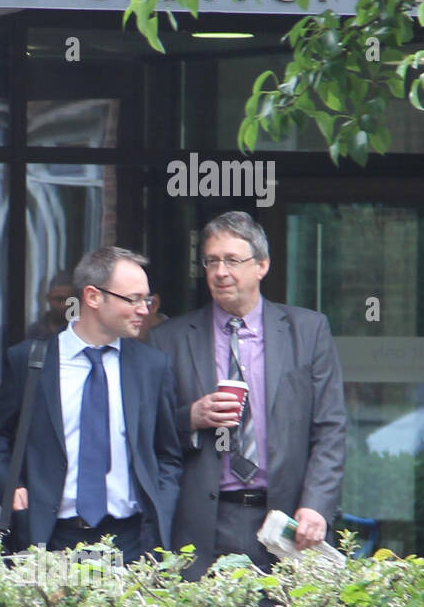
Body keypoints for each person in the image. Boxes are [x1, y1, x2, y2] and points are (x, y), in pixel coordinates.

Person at [148, 212, 346, 579]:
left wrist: (316, 506)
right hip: (203, 523)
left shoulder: (308, 330)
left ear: (262, 266)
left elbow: (330, 427)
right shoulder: (170, 339)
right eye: (212, 261)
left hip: (286, 523)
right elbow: (146, 431)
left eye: (232, 260)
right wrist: (190, 417)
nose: (220, 271)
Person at [0, 247, 181, 562]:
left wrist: (160, 514)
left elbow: (168, 455)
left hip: (130, 542)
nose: (145, 309)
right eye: (134, 299)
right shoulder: (31, 360)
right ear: (93, 296)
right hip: (50, 539)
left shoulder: (152, 367)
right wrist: (10, 488)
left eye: (148, 300)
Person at [25, 271, 75, 341]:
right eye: (59, 299)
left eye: (69, 300)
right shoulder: (35, 331)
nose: (64, 305)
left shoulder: (80, 330)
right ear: (48, 298)